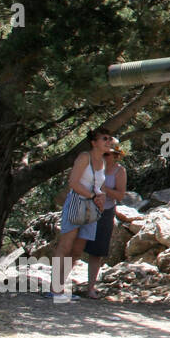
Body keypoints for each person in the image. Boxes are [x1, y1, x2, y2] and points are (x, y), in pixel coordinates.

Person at [54, 126, 114, 297]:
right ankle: (54, 287)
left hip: (92, 207)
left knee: (77, 249)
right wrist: (93, 195)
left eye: (110, 138)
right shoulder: (84, 157)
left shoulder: (102, 162)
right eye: (105, 138)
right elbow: (73, 182)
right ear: (94, 143)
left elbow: (100, 184)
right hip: (77, 202)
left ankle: (61, 285)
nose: (109, 142)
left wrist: (101, 196)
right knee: (66, 244)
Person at [84, 137, 127, 299]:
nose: (105, 156)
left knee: (97, 251)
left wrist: (104, 189)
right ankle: (60, 284)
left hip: (105, 211)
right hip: (86, 208)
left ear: (116, 156)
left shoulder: (119, 171)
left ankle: (90, 288)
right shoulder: (92, 166)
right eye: (103, 153)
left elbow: (120, 195)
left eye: (108, 154)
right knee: (74, 246)